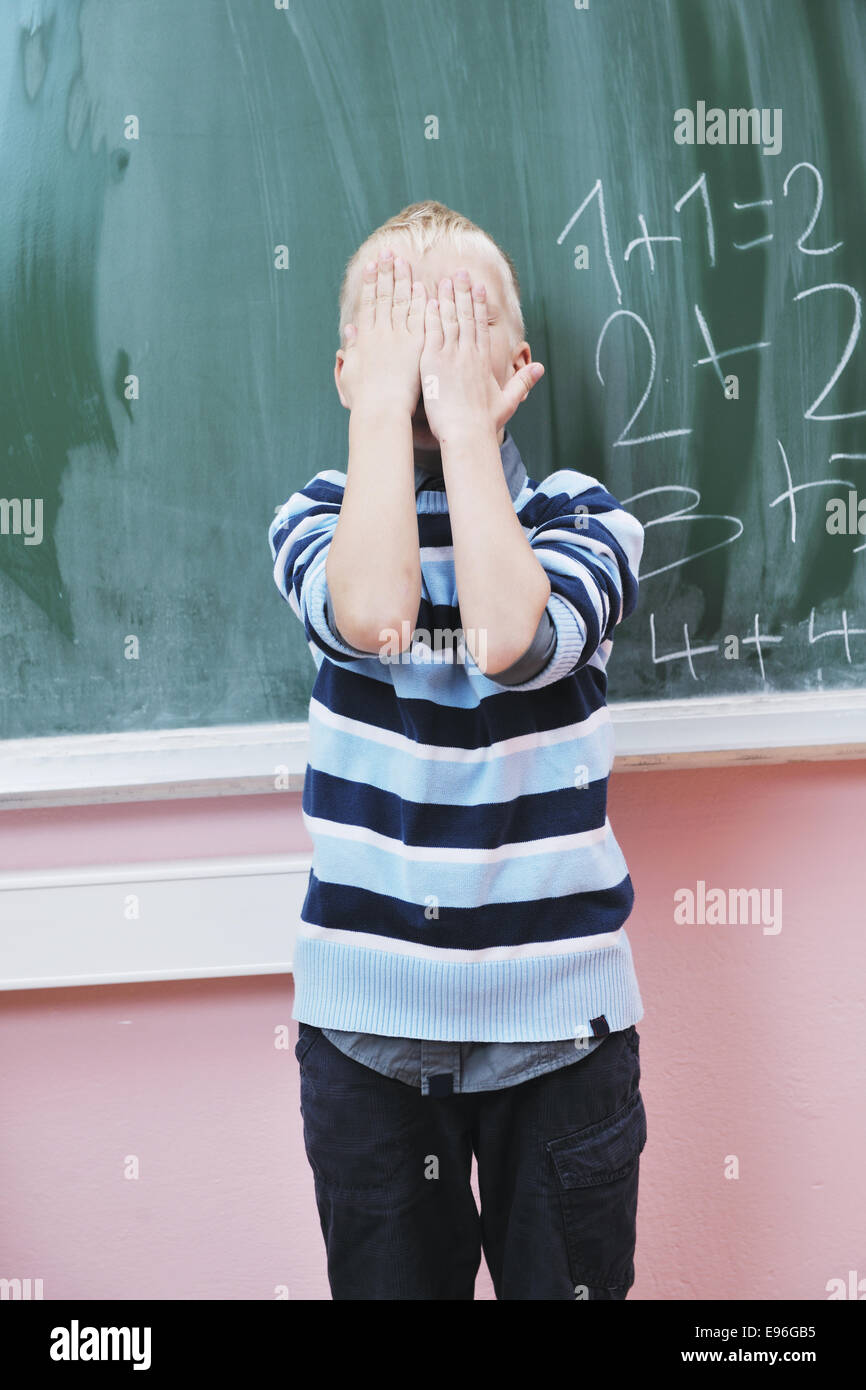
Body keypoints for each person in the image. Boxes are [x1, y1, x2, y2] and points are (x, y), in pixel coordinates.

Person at [269, 200, 647, 1300]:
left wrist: (469, 435)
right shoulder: (317, 517)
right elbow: (377, 616)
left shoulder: (584, 521)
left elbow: (506, 637)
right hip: (365, 1034)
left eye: (455, 317)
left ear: (518, 362)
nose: (430, 345)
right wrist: (384, 417)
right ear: (350, 372)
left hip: (559, 1036)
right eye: (400, 320)